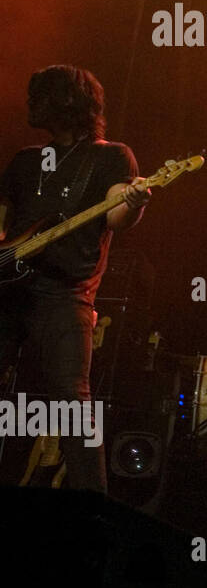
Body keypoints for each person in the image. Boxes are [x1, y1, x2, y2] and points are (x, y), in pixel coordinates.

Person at [0, 65, 151, 492]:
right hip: (7, 292)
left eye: (40, 96)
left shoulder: (110, 156)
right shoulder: (25, 160)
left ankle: (93, 513)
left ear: (70, 102)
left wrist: (135, 202)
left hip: (64, 294)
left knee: (71, 401)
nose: (31, 104)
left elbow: (116, 216)